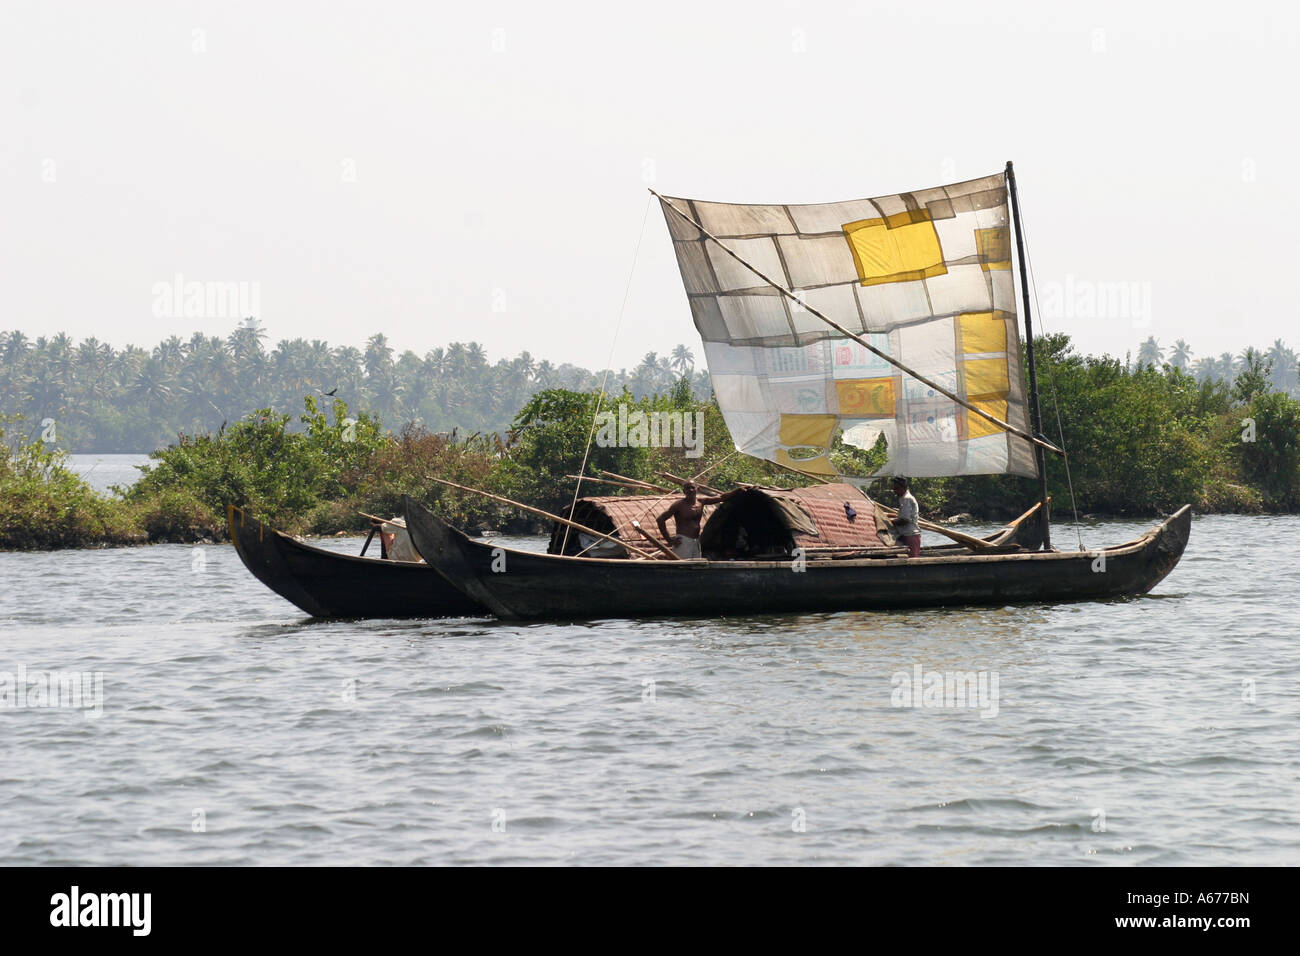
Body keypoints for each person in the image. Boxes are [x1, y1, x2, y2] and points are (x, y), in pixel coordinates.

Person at [656, 481, 741, 559]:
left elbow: (721, 497)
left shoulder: (701, 502)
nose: (690, 490)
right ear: (684, 491)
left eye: (692, 487)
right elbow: (660, 519)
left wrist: (737, 491)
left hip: (696, 541)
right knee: (683, 567)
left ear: (697, 489)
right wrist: (669, 540)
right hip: (683, 541)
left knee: (696, 567)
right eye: (687, 488)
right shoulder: (678, 505)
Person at [890, 477, 922, 558]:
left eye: (897, 488)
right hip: (906, 534)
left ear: (904, 487)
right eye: (894, 489)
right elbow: (903, 516)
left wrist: (889, 522)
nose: (895, 491)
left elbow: (905, 520)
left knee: (912, 561)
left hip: (910, 535)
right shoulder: (903, 498)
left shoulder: (906, 499)